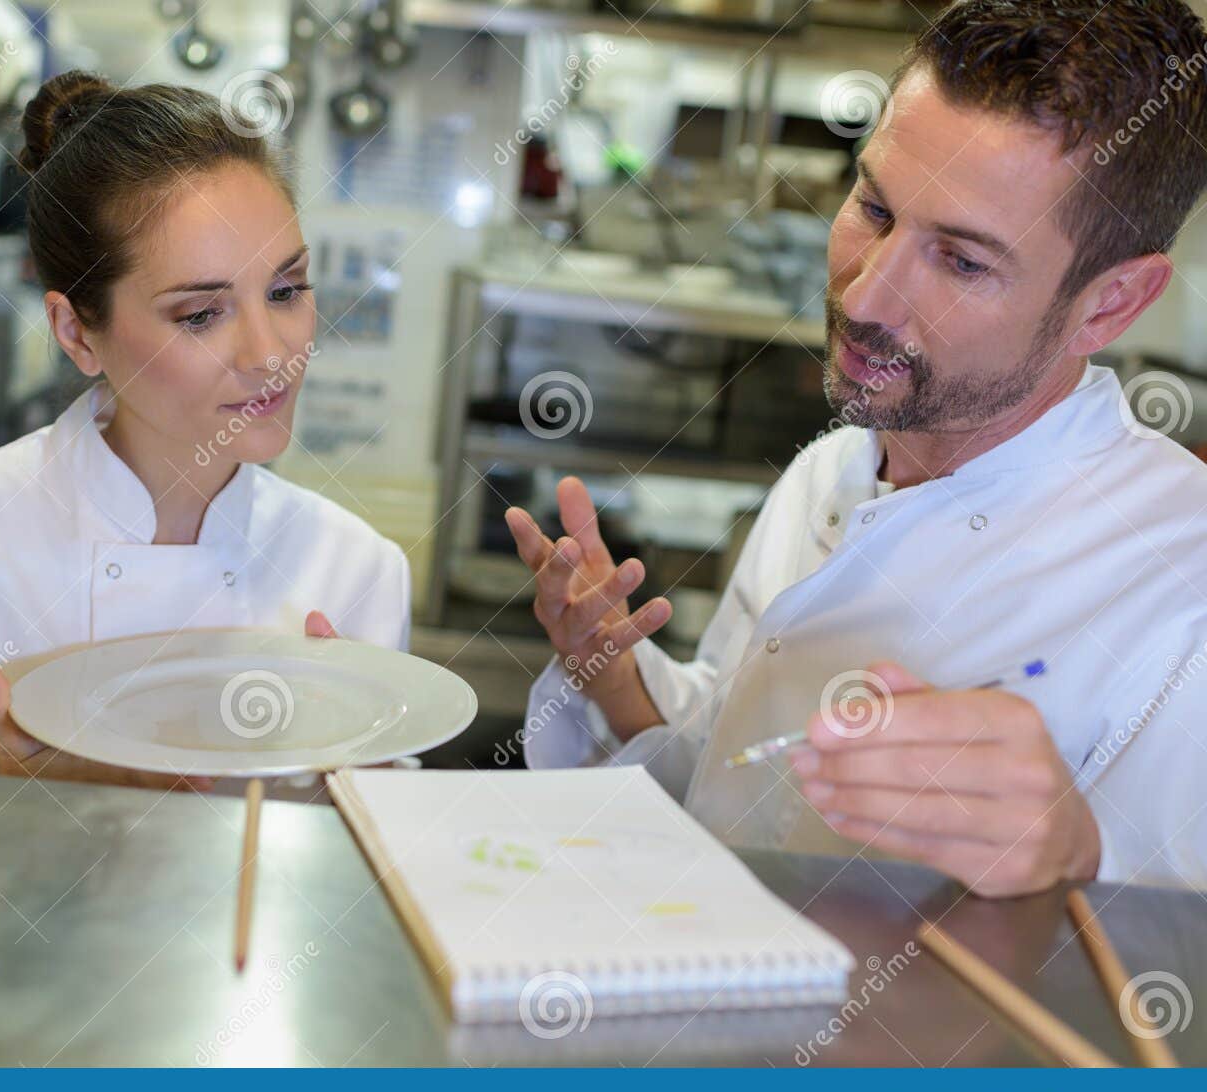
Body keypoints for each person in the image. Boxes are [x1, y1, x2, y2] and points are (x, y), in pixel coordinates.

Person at [507, 0, 1207, 894]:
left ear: (1109, 305)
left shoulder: (1182, 589)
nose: (867, 297)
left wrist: (1081, 854)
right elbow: (733, 779)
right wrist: (611, 676)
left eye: (962, 262)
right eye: (874, 207)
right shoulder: (831, 469)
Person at [0, 72, 410, 782]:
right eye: (201, 314)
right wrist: (18, 791)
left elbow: (363, 882)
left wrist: (351, 786)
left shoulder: (356, 571)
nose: (271, 354)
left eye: (286, 290)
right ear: (76, 333)